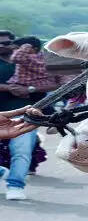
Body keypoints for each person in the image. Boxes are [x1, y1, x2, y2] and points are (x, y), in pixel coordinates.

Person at [0, 31, 47, 200]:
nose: (1, 46)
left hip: (25, 115)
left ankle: (15, 185)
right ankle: (3, 172)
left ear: (14, 43)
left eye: (6, 43)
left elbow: (52, 81)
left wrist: (30, 89)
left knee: (21, 151)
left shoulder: (31, 60)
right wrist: (9, 88)